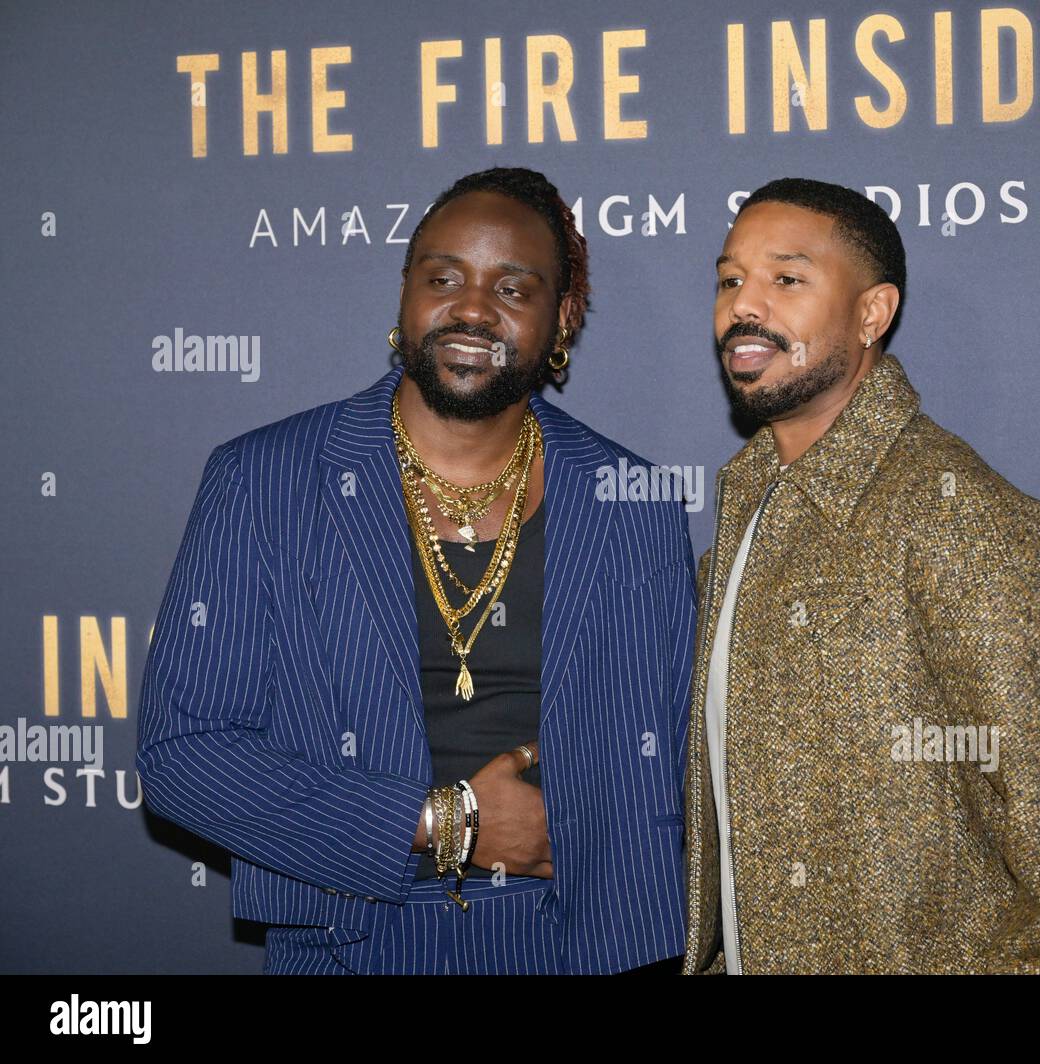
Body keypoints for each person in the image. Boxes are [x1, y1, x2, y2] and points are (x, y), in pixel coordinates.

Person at [137, 168, 694, 974]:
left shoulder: (632, 499)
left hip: (582, 939)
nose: (472, 308)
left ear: (562, 317)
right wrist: (445, 822)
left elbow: (679, 762)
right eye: (443, 278)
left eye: (513, 287)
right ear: (404, 296)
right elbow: (182, 756)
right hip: (348, 933)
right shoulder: (265, 480)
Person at [681, 177, 1040, 974]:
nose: (745, 306)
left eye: (787, 279)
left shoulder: (954, 513)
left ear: (872, 314)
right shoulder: (752, 504)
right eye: (730, 279)